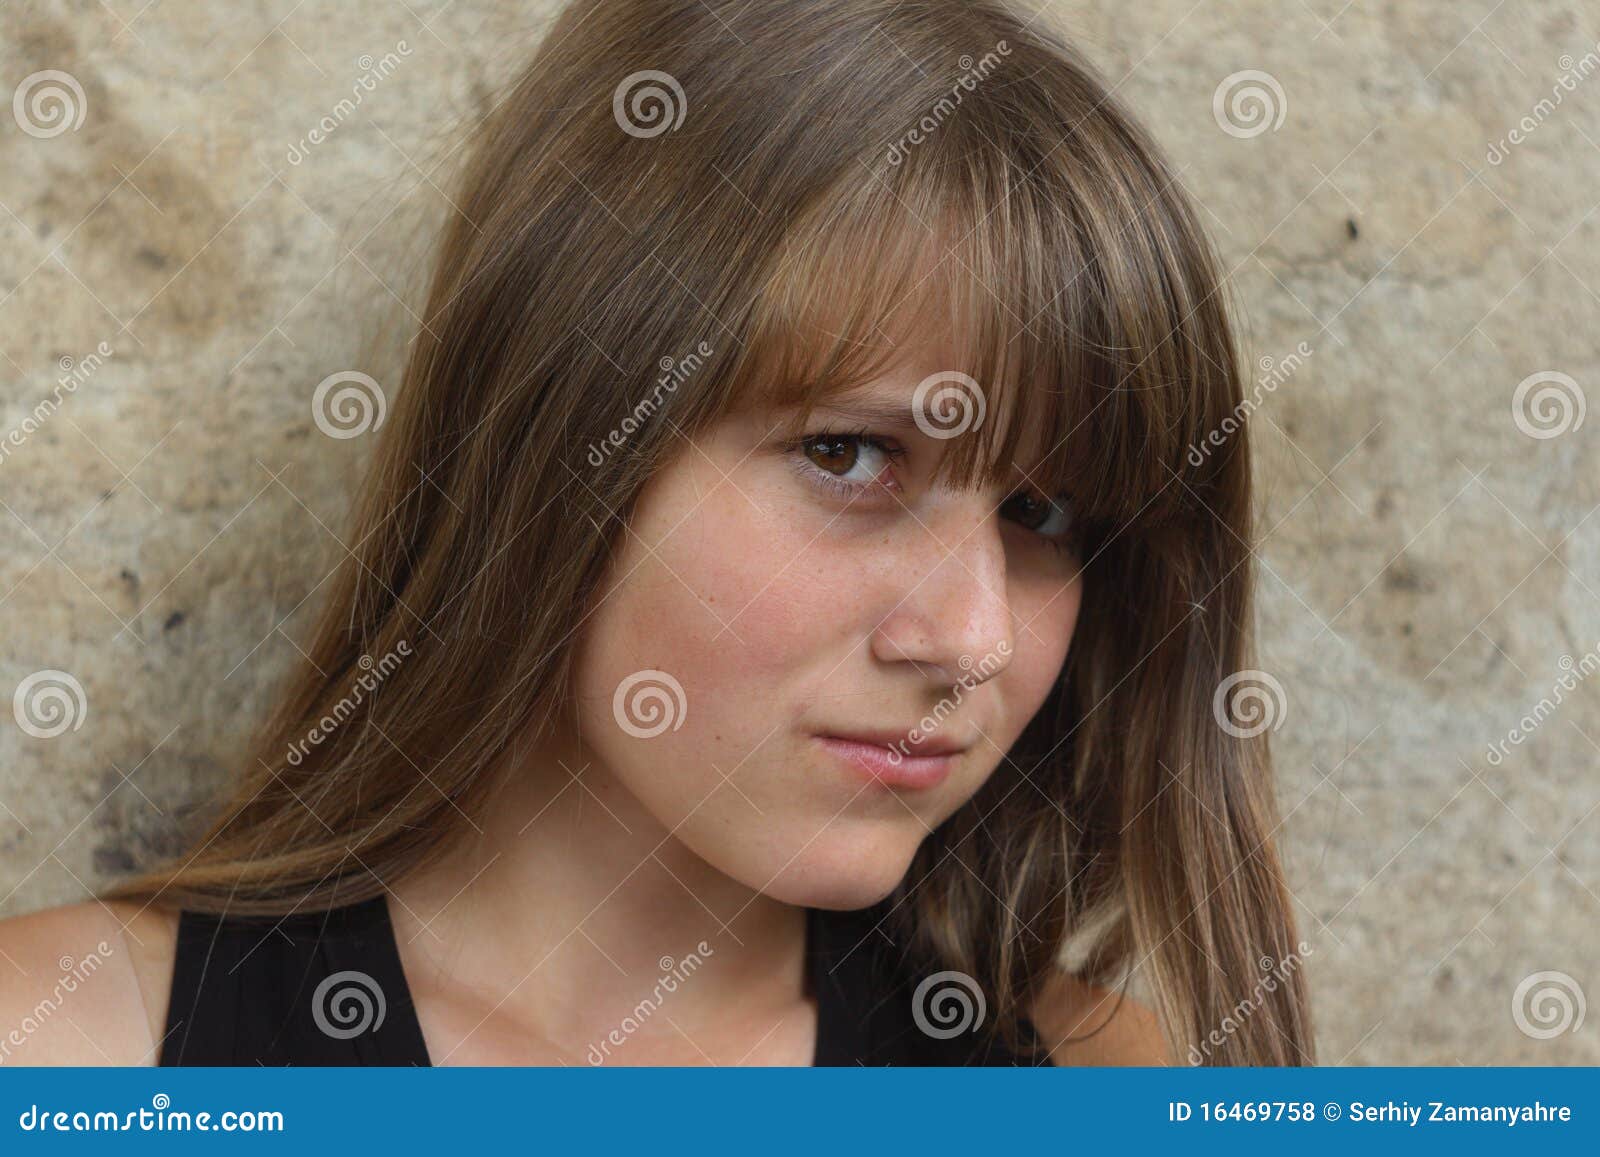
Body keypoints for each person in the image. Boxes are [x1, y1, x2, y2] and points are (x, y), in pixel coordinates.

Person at [0, 0, 1312, 1066]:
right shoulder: (70, 1051)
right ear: (557, 433)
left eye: (1042, 512)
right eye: (851, 456)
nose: (969, 638)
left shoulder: (1095, 1074)